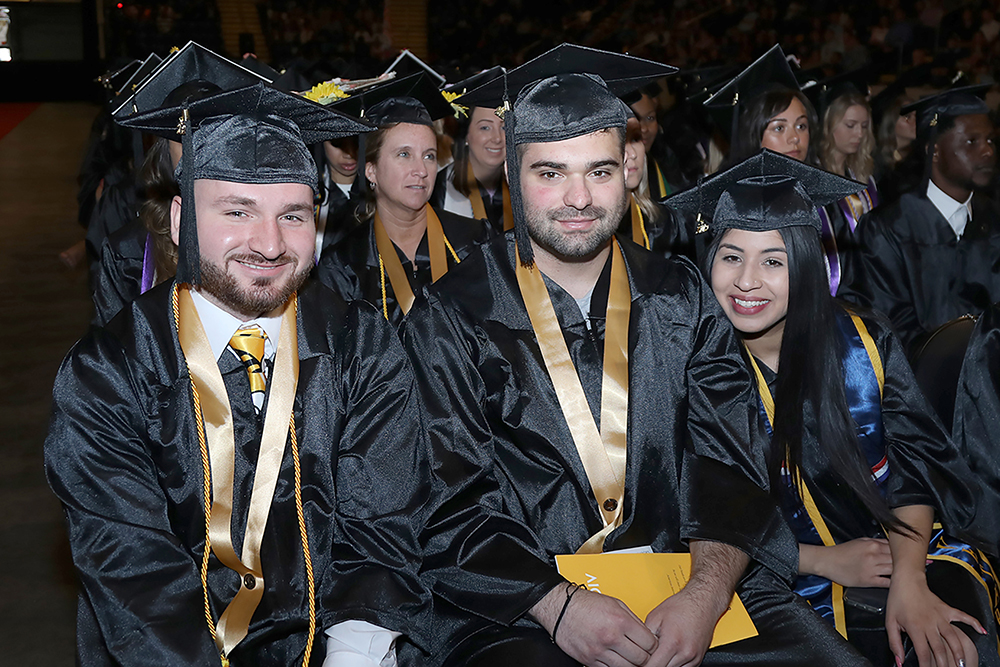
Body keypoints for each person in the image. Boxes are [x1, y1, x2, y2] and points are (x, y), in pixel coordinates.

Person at [404, 58, 867, 666]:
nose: (578, 198)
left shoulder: (682, 296)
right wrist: (556, 606)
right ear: (513, 175)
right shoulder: (450, 317)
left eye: (598, 171)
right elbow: (448, 499)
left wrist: (706, 595)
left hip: (685, 582)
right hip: (521, 608)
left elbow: (730, 466)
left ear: (627, 169)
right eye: (551, 172)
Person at [45, 83, 432, 666]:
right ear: (181, 220)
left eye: (292, 215)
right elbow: (135, 575)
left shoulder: (362, 347)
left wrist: (352, 654)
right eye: (237, 211)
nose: (270, 245)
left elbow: (382, 527)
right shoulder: (109, 372)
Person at [669, 149, 1000, 667]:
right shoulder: (690, 369)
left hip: (903, 545)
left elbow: (914, 471)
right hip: (768, 576)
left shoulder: (863, 344)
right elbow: (695, 511)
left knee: (958, 646)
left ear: (805, 264)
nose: (747, 281)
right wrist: (821, 561)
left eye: (773, 261)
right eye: (731, 256)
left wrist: (910, 578)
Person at [316, 73, 491, 327]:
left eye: (429, 156)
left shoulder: (475, 241)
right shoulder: (343, 266)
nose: (421, 170)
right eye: (404, 154)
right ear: (371, 170)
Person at [843, 86, 1000, 357]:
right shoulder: (888, 229)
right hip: (919, 377)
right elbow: (885, 329)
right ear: (934, 151)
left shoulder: (993, 221)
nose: (987, 151)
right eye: (972, 141)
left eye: (990, 140)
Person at [432, 66, 513, 232]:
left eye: (504, 127)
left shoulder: (523, 185)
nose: (497, 138)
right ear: (466, 135)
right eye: (485, 127)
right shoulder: (437, 188)